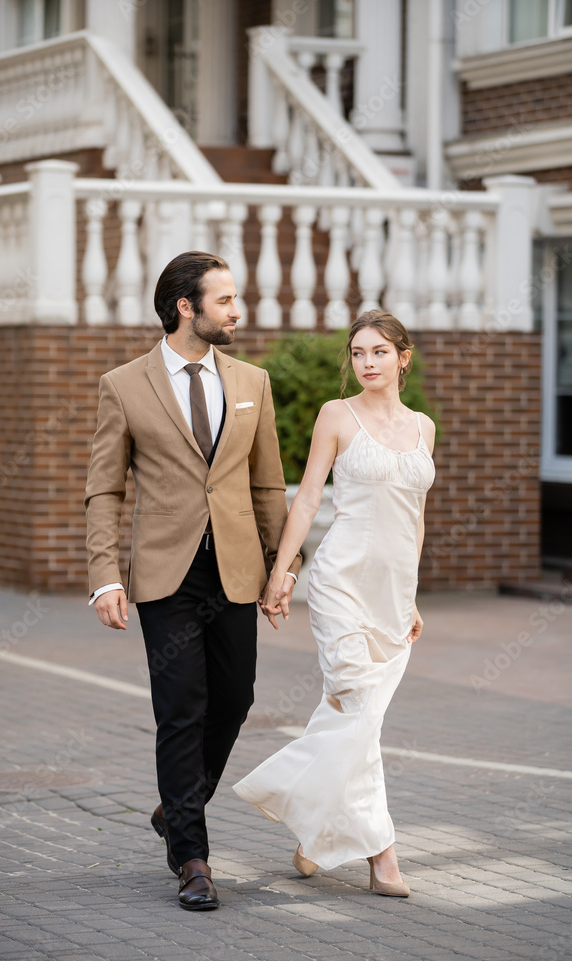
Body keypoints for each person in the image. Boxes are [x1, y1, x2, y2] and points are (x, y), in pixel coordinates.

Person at [84, 251, 301, 911]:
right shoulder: (124, 385)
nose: (237, 311)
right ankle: (192, 858)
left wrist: (282, 567)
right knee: (182, 708)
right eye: (226, 300)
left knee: (233, 699)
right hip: (164, 573)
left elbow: (266, 482)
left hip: (234, 571)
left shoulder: (250, 382)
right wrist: (103, 575)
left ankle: (176, 807)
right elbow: (104, 489)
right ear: (186, 306)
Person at [233, 309, 435, 896]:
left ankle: (311, 829)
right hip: (340, 584)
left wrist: (414, 596)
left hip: (394, 598)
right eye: (357, 353)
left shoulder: (424, 427)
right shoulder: (335, 416)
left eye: (378, 352)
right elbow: (307, 502)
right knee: (362, 716)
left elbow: (414, 520)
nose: (366, 363)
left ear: (402, 357)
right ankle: (383, 858)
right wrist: (282, 574)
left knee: (351, 720)